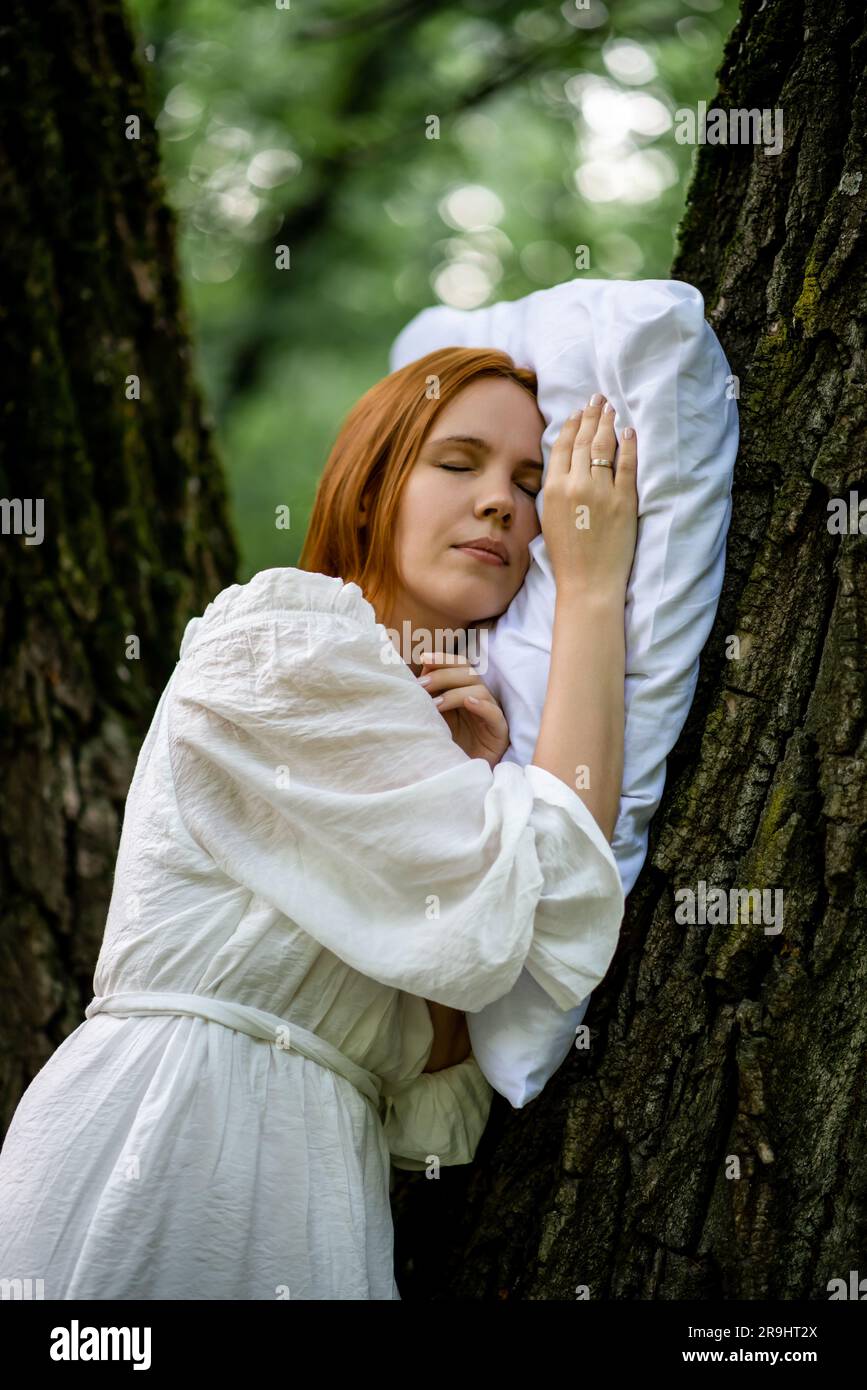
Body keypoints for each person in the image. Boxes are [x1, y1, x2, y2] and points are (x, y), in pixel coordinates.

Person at [0, 347, 637, 1300]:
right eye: (457, 463)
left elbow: (451, 1047)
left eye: (531, 483)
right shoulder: (283, 638)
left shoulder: (436, 741)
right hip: (169, 1131)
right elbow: (553, 890)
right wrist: (591, 592)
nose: (503, 502)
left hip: (322, 1181)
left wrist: (465, 783)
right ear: (373, 491)